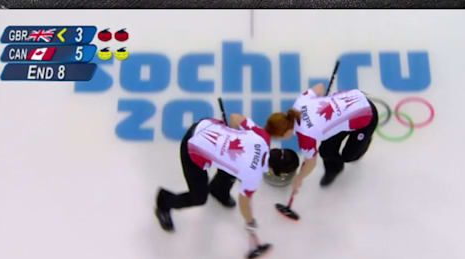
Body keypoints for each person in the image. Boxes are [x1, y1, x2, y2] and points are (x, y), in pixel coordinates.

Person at [154, 113, 298, 242]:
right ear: (277, 172)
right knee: (198, 198)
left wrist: (231, 136)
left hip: (205, 124)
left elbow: (234, 117)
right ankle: (164, 201)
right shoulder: (252, 177)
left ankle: (218, 191)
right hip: (192, 148)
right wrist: (250, 222)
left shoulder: (263, 136)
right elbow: (244, 203)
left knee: (232, 169)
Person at [263, 83, 379, 191]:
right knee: (326, 151)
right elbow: (320, 86)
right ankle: (335, 169)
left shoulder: (305, 137)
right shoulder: (299, 103)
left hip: (366, 115)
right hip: (347, 106)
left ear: (285, 133)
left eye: (279, 136)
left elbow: (311, 163)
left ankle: (366, 141)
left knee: (349, 156)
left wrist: (299, 178)